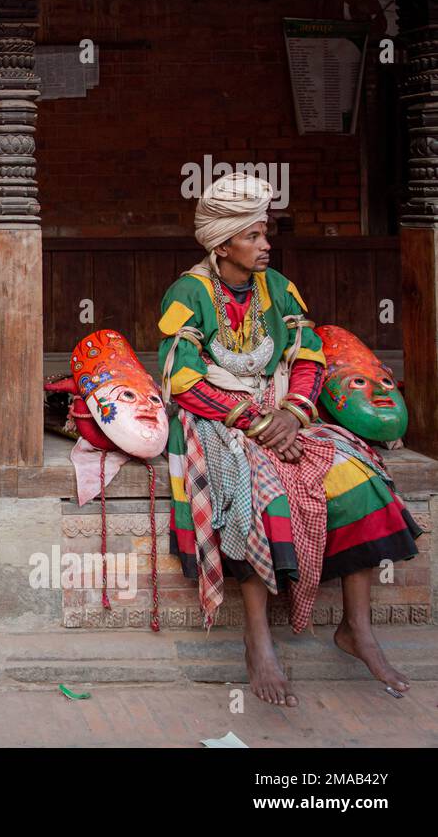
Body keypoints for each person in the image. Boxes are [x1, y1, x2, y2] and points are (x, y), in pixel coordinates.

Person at [158, 172, 423, 707]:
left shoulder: (279, 289)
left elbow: (307, 356)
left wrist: (296, 413)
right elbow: (182, 380)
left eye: (265, 234)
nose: (265, 245)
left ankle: (357, 630)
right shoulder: (188, 293)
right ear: (223, 242)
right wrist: (255, 425)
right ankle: (258, 640)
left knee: (360, 478)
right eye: (254, 235)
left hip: (283, 411)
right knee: (261, 492)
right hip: (219, 418)